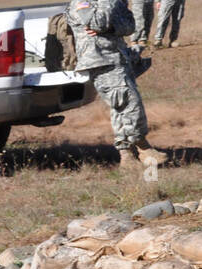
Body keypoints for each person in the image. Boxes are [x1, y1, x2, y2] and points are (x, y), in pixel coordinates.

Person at [66, 0, 167, 167]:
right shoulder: (82, 2)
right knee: (129, 101)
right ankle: (143, 146)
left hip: (118, 57)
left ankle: (126, 155)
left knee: (120, 107)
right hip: (99, 60)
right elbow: (98, 22)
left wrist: (111, 29)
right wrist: (107, 21)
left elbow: (129, 25)